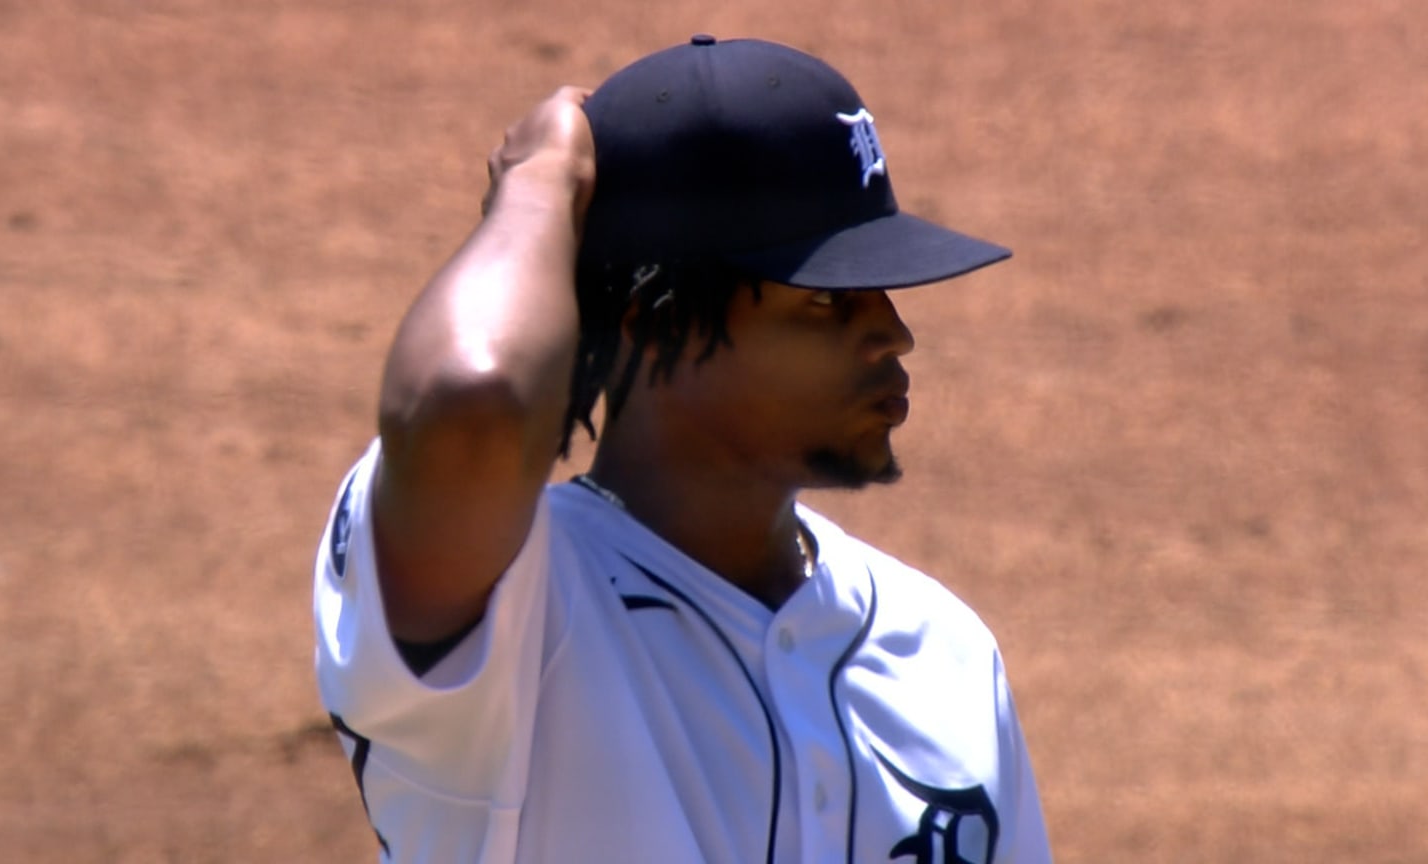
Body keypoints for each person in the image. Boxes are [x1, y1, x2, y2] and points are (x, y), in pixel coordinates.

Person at [314, 34, 1052, 864]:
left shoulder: (942, 652)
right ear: (653, 321)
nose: (894, 333)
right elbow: (473, 397)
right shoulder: (517, 615)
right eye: (826, 302)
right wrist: (535, 187)